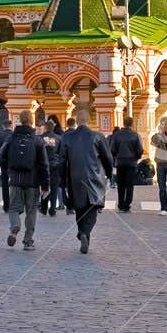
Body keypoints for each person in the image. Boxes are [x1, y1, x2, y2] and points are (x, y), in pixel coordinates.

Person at [62, 104, 114, 256]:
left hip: (75, 178)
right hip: (94, 178)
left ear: (77, 121)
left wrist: (63, 180)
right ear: (89, 121)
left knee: (79, 209)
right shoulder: (97, 136)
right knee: (92, 209)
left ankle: (82, 233)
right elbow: (107, 158)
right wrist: (109, 174)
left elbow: (62, 160)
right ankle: (84, 233)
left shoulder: (67, 137)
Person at [1, 111, 49, 249]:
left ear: (19, 120)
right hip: (32, 182)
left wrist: (8, 171)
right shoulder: (38, 140)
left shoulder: (11, 138)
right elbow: (44, 165)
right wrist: (45, 185)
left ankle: (15, 226)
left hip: (15, 180)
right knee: (31, 211)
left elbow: (1, 157)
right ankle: (28, 241)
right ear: (32, 120)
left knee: (13, 208)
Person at [109, 115, 144, 212]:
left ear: (123, 123)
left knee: (121, 185)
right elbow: (140, 150)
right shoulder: (135, 135)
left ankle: (120, 204)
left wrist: (116, 157)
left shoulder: (117, 135)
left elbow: (112, 149)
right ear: (132, 124)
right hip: (131, 163)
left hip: (120, 162)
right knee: (129, 185)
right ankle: (126, 204)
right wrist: (136, 158)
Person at [42, 119, 65, 215]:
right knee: (54, 187)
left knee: (44, 187)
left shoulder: (40, 138)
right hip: (55, 166)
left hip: (43, 166)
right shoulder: (59, 138)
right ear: (53, 127)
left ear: (45, 127)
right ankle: (52, 209)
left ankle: (44, 208)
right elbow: (61, 153)